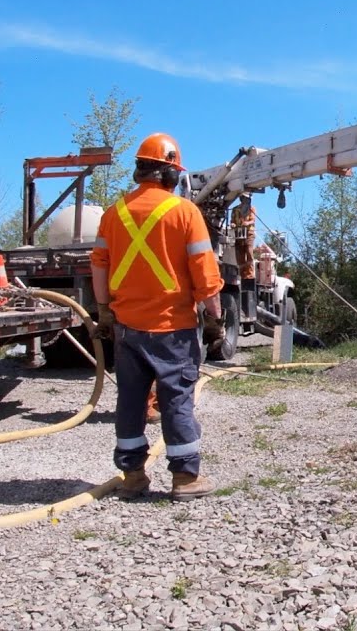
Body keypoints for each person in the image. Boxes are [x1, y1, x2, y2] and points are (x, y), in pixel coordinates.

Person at [90, 132, 225, 502]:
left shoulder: (113, 213)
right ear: (170, 174)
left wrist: (104, 310)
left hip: (127, 326)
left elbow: (99, 264)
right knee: (177, 398)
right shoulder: (185, 212)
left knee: (131, 401)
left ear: (140, 171)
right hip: (173, 327)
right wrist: (214, 318)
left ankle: (132, 476)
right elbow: (205, 273)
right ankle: (184, 477)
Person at [231, 193, 257, 280]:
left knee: (249, 253)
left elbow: (253, 220)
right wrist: (233, 224)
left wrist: (247, 223)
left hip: (249, 233)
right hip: (239, 233)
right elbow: (232, 221)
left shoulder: (251, 209)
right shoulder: (235, 209)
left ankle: (250, 274)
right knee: (240, 255)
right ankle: (242, 274)